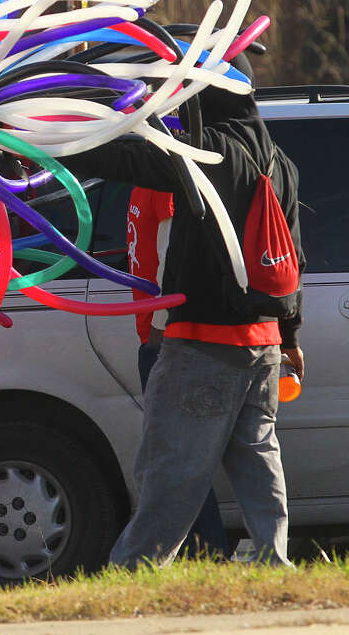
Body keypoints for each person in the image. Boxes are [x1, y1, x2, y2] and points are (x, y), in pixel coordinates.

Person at [63, 73, 303, 569]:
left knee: (172, 466)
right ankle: (273, 559)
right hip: (263, 344)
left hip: (203, 343)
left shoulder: (208, 152)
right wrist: (290, 337)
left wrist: (56, 145)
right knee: (258, 459)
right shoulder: (281, 163)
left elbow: (129, 159)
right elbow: (293, 254)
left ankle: (137, 568)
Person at [126, 186, 229, 559]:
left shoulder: (161, 178)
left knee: (175, 455)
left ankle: (209, 551)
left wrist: (160, 326)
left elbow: (173, 253)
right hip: (158, 336)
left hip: (168, 338)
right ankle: (204, 551)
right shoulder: (141, 180)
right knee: (175, 453)